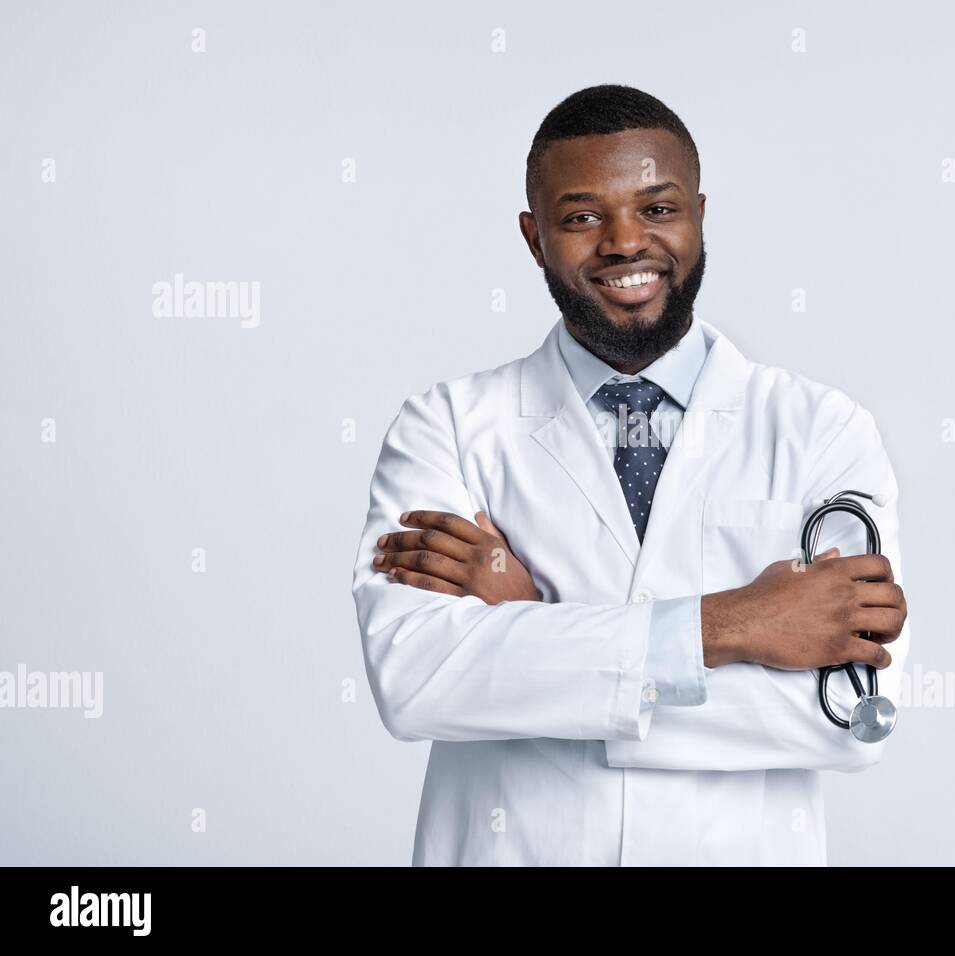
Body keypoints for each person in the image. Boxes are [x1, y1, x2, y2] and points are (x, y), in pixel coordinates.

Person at [351, 84, 911, 866]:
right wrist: (736, 625)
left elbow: (849, 722)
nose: (624, 242)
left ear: (700, 215)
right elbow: (417, 684)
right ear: (533, 236)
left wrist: (534, 635)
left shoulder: (822, 430)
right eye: (582, 217)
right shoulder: (445, 426)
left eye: (656, 208)